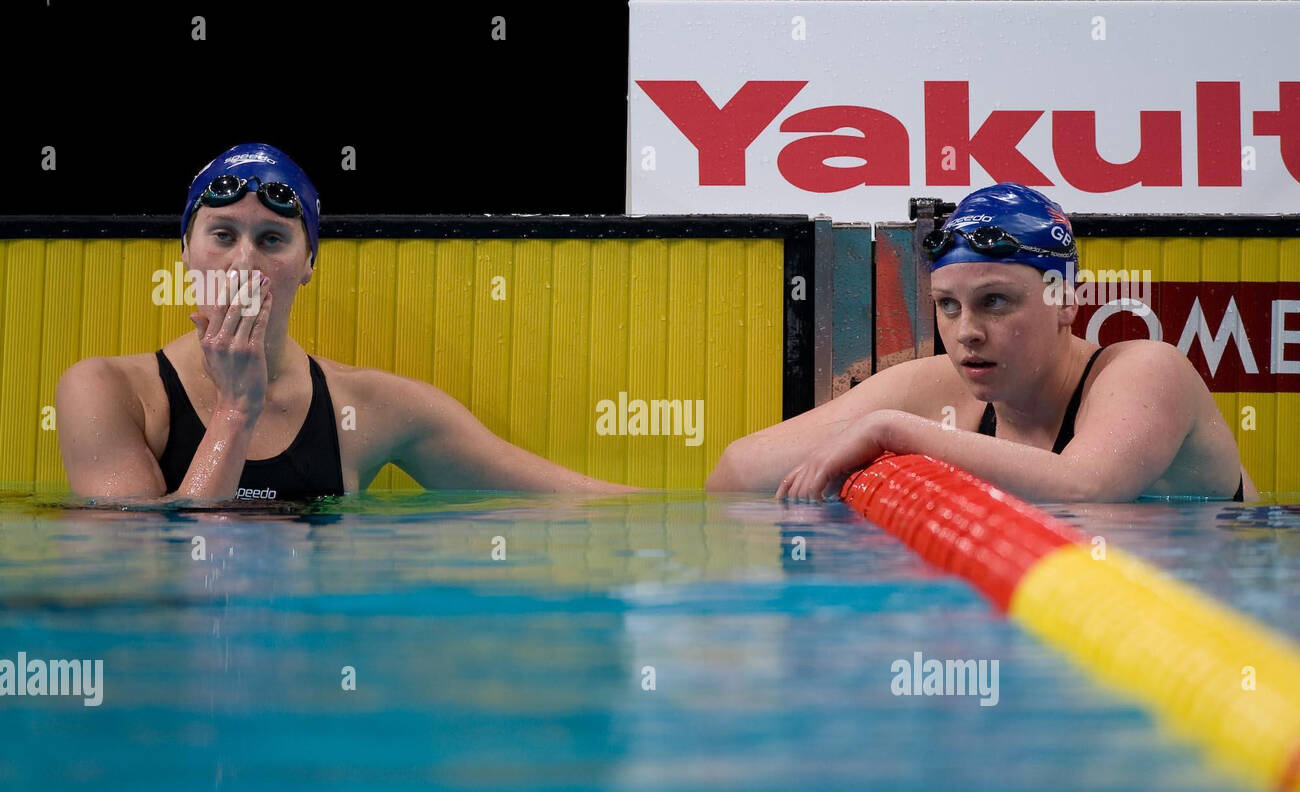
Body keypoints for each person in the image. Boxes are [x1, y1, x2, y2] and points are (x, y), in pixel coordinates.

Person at [57, 143, 637, 502]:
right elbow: (136, 572)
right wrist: (236, 412)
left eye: (272, 239)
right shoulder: (109, 391)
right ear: (185, 250)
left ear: (308, 263)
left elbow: (566, 499)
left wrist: (724, 512)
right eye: (223, 235)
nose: (243, 262)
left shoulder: (373, 409)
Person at [707, 183, 1254, 504]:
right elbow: (736, 473)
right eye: (948, 305)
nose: (966, 331)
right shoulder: (947, 385)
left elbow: (1085, 489)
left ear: (1066, 301)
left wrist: (890, 430)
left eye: (995, 302)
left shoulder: (1147, 371)